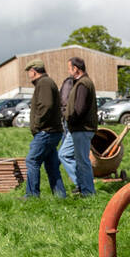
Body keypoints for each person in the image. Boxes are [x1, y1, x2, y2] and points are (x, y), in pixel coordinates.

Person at [24, 60, 66, 198]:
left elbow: (46, 106)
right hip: (52, 131)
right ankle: (60, 196)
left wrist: (37, 125)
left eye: (29, 71)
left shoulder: (44, 83)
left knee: (32, 160)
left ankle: (32, 196)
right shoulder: (46, 82)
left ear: (34, 71)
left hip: (46, 132)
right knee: (52, 165)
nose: (28, 75)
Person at [57, 56, 97, 196]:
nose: (68, 71)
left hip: (82, 129)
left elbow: (79, 109)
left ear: (76, 68)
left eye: (69, 68)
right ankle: (81, 185)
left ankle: (88, 191)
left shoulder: (83, 84)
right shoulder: (81, 82)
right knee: (64, 154)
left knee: (83, 161)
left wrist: (70, 120)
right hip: (78, 129)